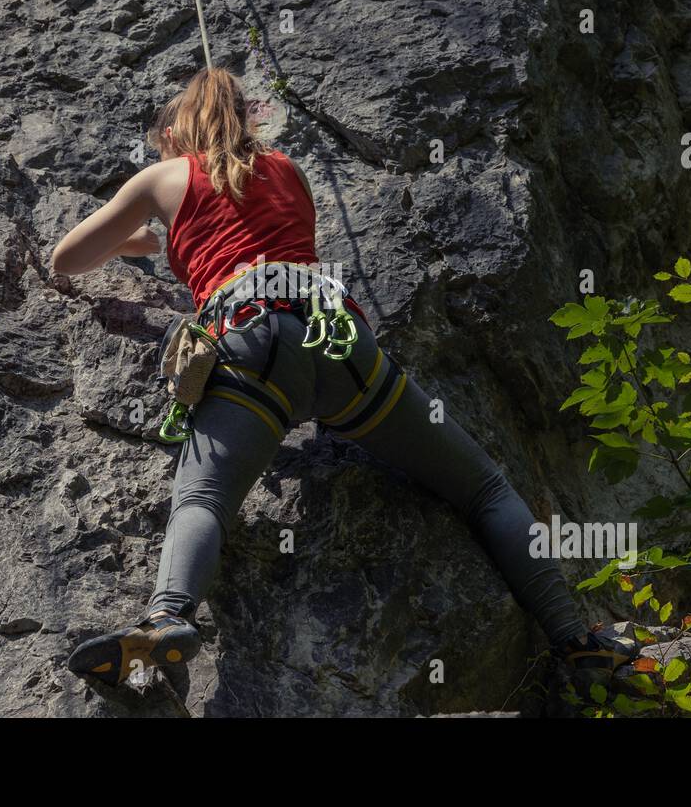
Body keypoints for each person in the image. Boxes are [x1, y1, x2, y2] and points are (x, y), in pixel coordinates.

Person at [50, 67, 637, 689]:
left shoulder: (161, 178)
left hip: (249, 341)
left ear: (175, 130)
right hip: (337, 340)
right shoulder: (289, 170)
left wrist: (134, 242)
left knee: (203, 499)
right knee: (486, 488)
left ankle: (169, 618)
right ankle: (577, 640)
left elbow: (68, 259)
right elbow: (257, 221)